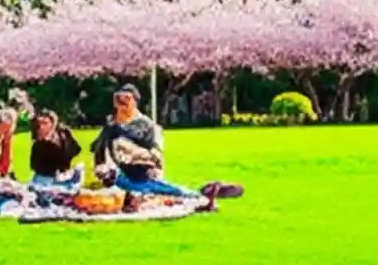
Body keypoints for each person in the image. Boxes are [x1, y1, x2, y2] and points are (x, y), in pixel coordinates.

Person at [91, 84, 242, 203]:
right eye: (118, 99)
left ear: (135, 102)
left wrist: (148, 165)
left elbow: (156, 154)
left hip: (142, 175)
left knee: (159, 190)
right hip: (118, 176)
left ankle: (200, 195)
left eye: (126, 99)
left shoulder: (147, 126)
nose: (122, 103)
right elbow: (99, 151)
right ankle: (199, 194)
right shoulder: (110, 127)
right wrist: (102, 170)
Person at [29, 108, 85, 188]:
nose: (41, 127)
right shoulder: (38, 143)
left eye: (45, 123)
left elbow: (75, 151)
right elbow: (35, 166)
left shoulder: (63, 134)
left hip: (62, 175)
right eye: (39, 124)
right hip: (44, 178)